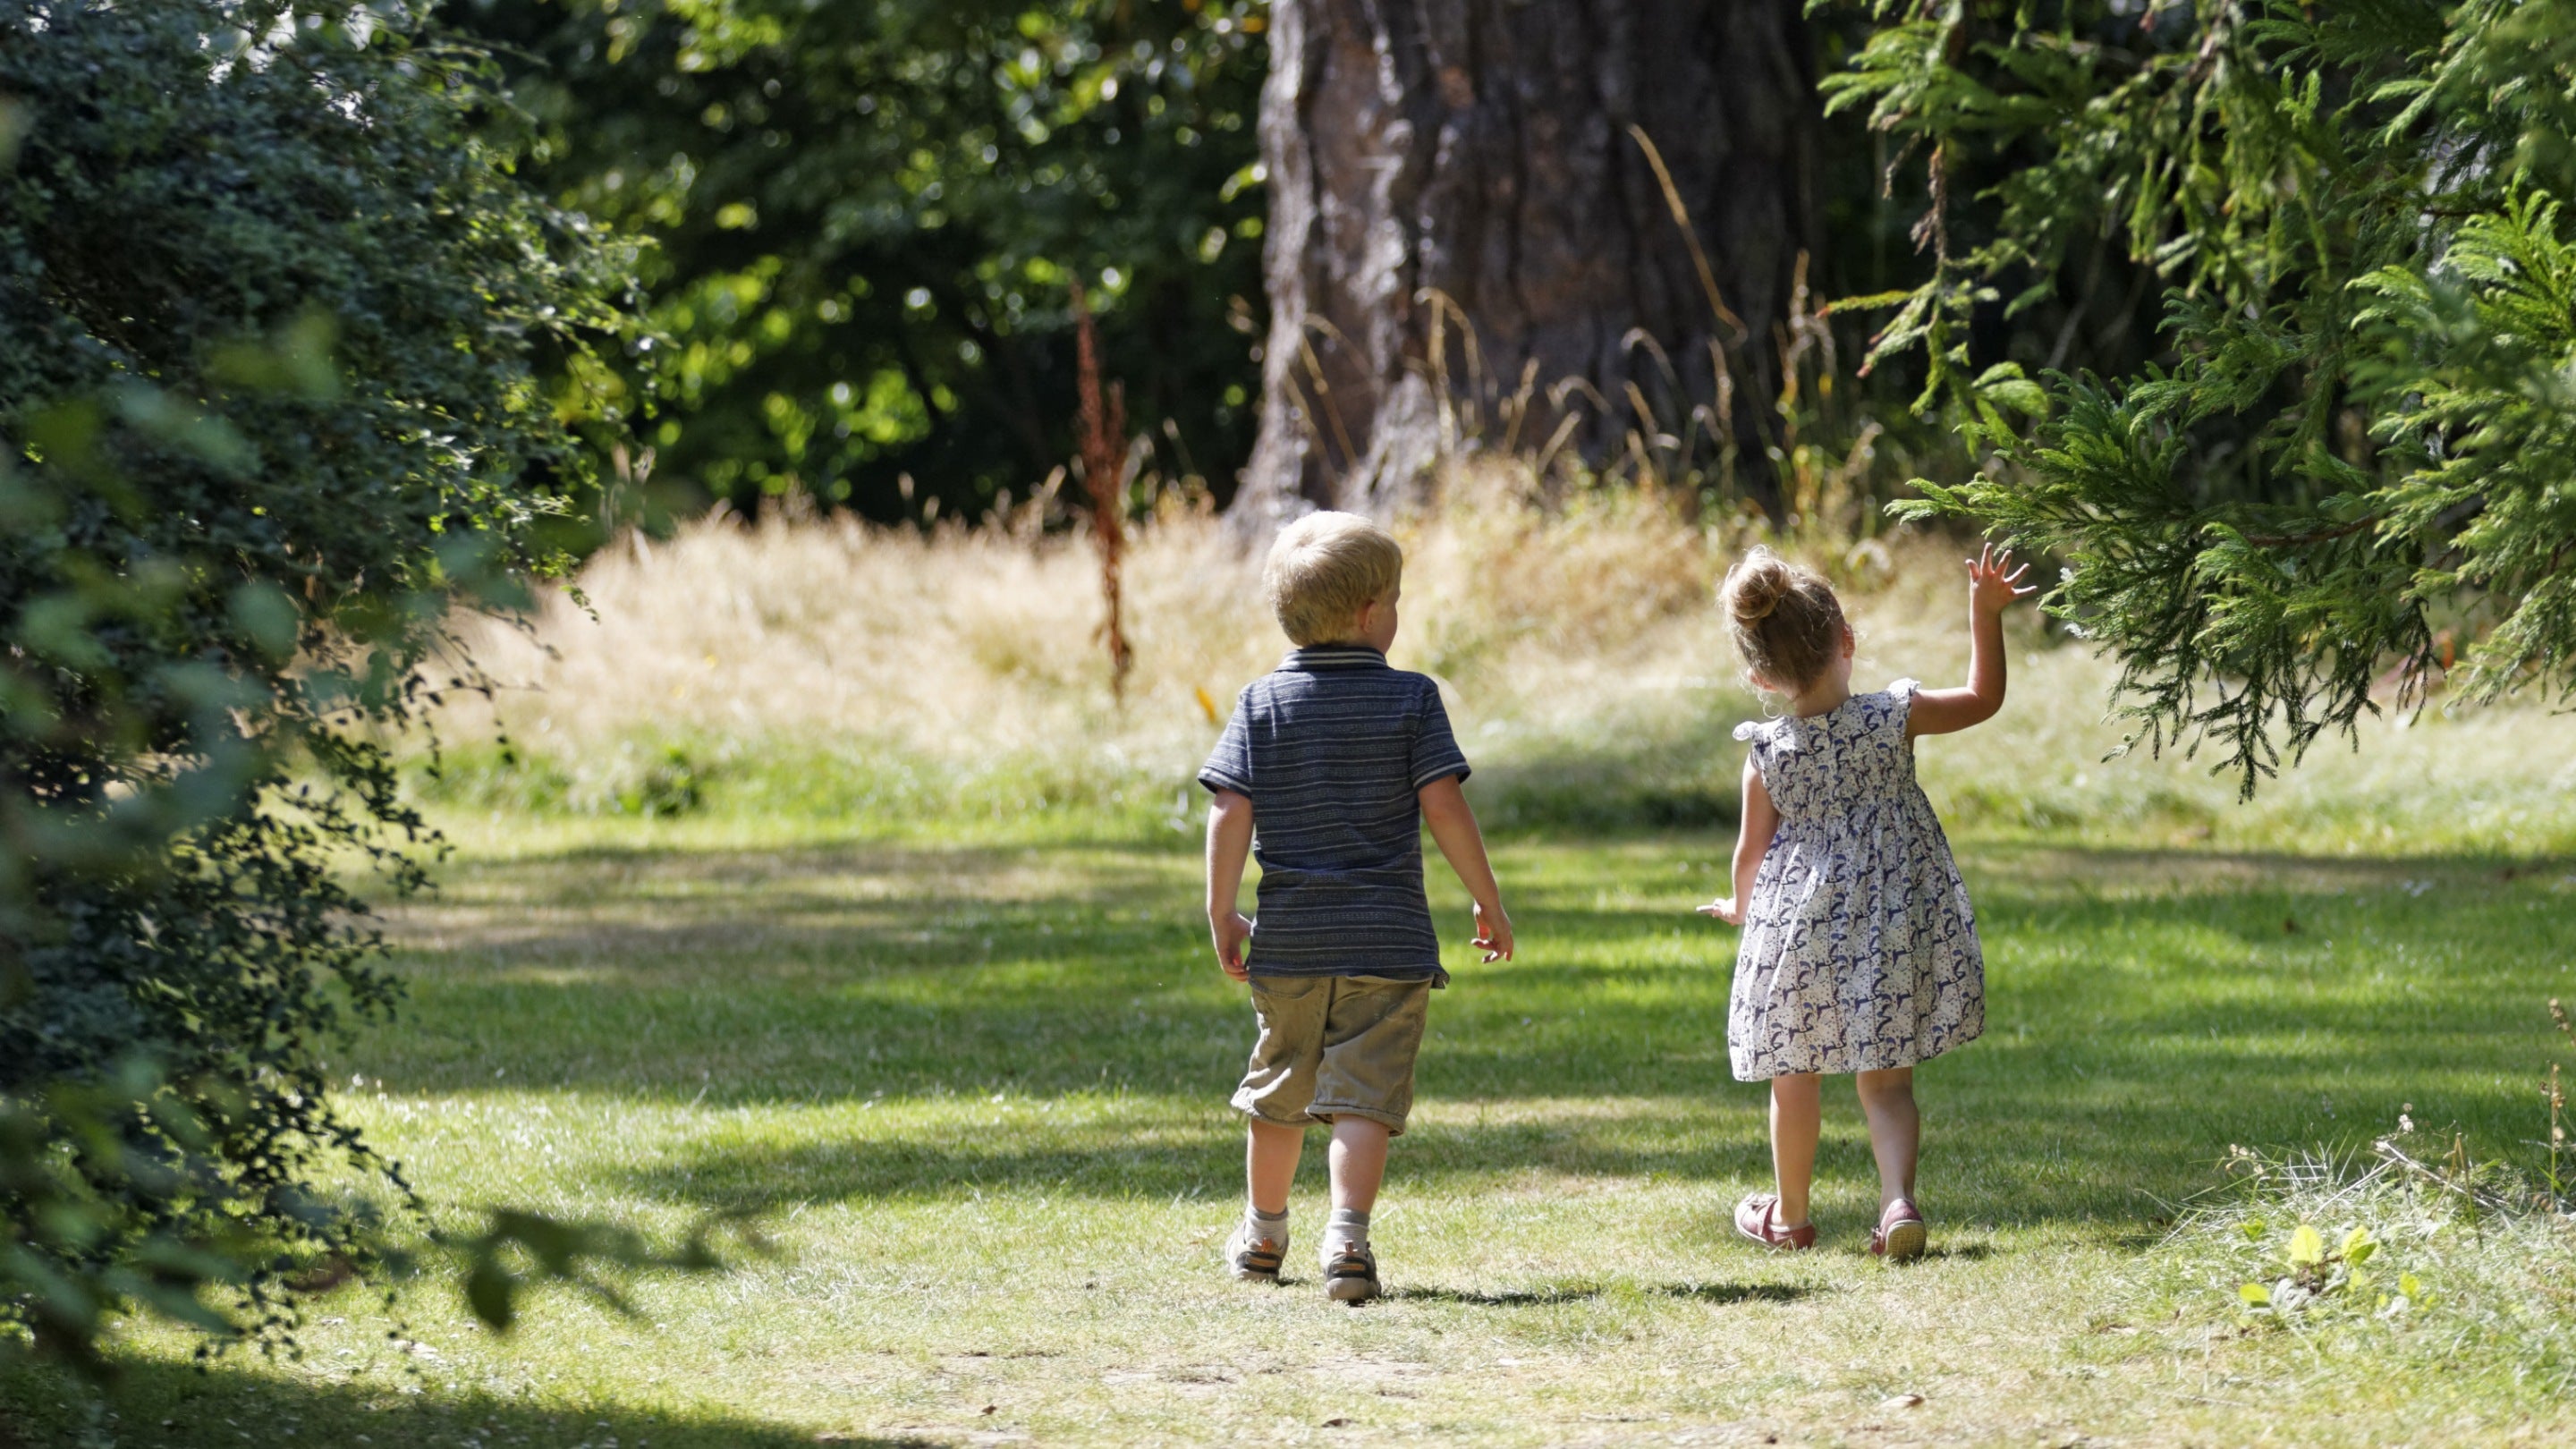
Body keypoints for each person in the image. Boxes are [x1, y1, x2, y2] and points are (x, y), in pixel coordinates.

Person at [1200, 510, 1513, 1303]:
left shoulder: (1260, 703)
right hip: (1388, 941)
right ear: (1373, 613)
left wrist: (1222, 911)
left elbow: (1228, 811)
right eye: (1398, 599)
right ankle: (1348, 1239)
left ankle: (1265, 1232)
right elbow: (1443, 804)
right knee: (1362, 1100)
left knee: (1277, 1093)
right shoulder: (1411, 700)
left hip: (1292, 941)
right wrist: (1487, 898)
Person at [1700, 542, 2034, 1260]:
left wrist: (1740, 906)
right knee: (1885, 1083)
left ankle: (1790, 1216)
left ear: (1759, 674)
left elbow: (1749, 856)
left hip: (1802, 929)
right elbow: (1984, 698)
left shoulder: (1767, 754)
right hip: (1890, 922)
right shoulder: (1893, 717)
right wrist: (1984, 612)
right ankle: (1896, 1204)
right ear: (1846, 640)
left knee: (1794, 1077)